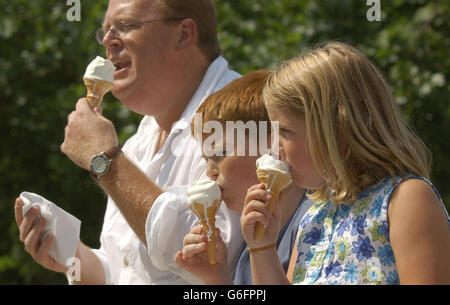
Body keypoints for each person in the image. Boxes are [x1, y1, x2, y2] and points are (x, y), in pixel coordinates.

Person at [14, 0, 243, 284]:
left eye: (125, 26)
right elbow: (123, 271)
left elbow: (210, 263)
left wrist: (106, 162)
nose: (108, 41)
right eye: (105, 31)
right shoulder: (140, 139)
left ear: (183, 34)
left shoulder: (242, 119)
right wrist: (73, 258)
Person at [242, 41, 450, 285]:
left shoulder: (406, 199)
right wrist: (263, 249)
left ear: (338, 130)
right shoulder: (315, 216)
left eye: (285, 131)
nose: (273, 147)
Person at [174, 70, 314, 284]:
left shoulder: (315, 221)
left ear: (273, 147)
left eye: (220, 154)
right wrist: (217, 277)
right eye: (206, 160)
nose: (210, 172)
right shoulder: (251, 244)